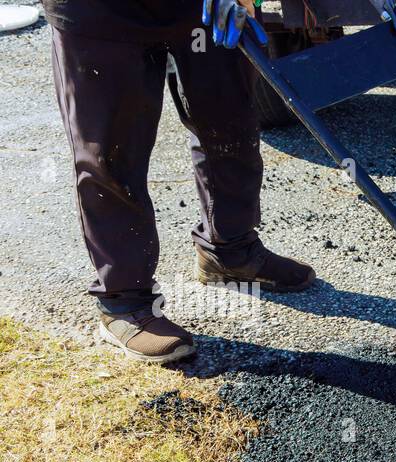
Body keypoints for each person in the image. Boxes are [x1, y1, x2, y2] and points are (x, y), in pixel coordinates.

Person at [43, 0, 315, 362]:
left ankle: (229, 250)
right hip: (101, 11)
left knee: (230, 127)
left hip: (201, 7)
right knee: (111, 151)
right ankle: (124, 300)